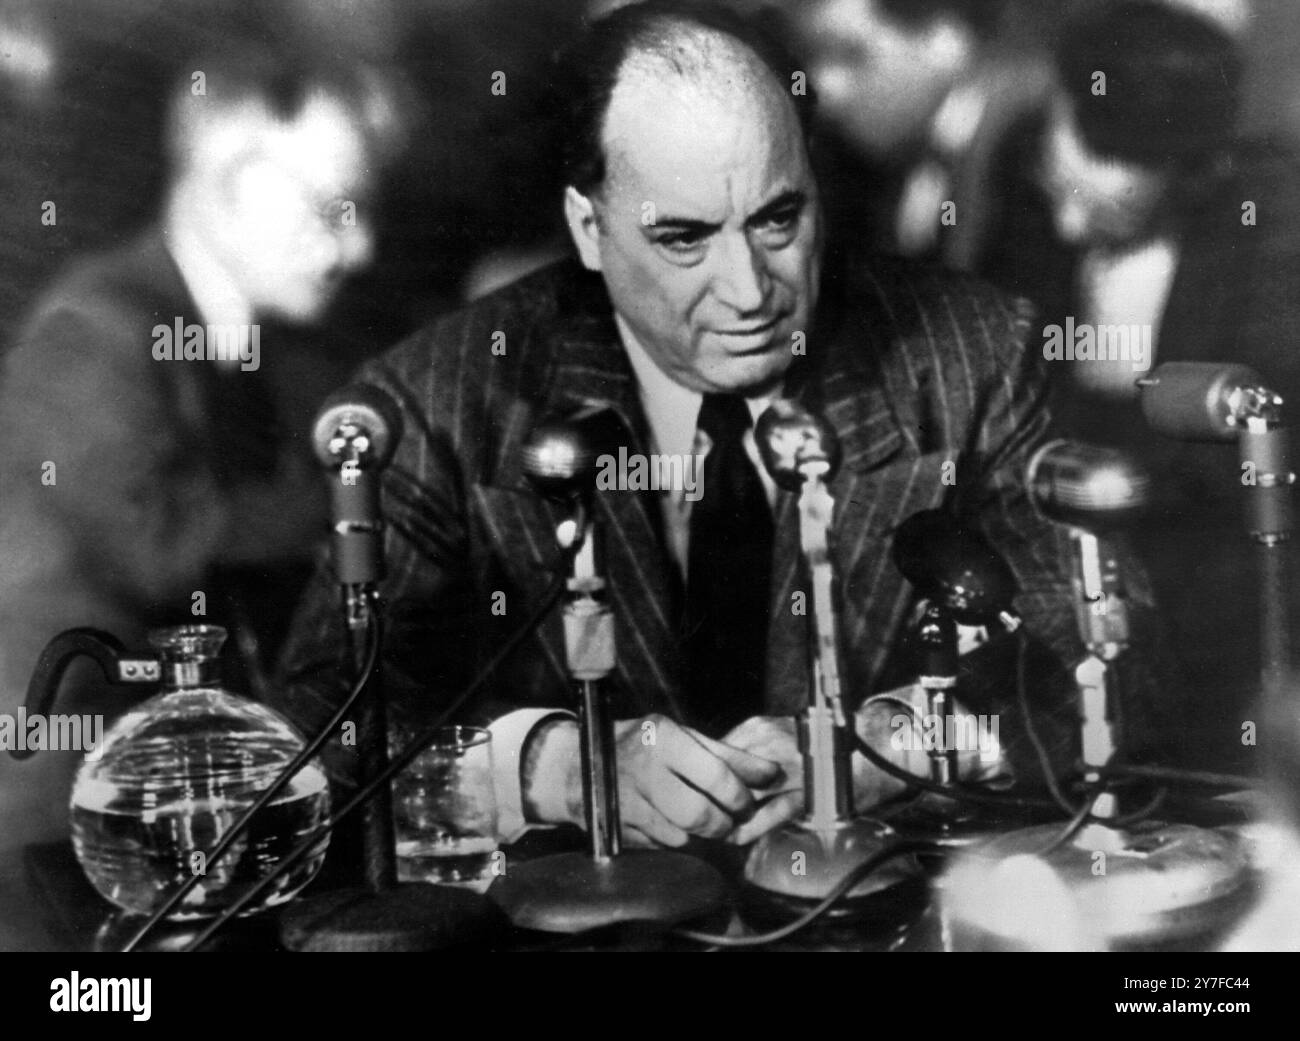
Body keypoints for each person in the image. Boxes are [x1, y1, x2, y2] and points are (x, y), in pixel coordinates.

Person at [277, 0, 1167, 851]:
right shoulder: (439, 402)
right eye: (685, 239)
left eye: (779, 219)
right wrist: (559, 769)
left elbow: (1123, 658)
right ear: (588, 228)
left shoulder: (973, 356)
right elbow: (322, 719)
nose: (749, 292)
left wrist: (895, 744)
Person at [0, 42, 390, 853]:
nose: (359, 250)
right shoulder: (93, 330)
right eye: (336, 208)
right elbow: (163, 545)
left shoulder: (273, 348)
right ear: (237, 188)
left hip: (178, 787)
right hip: (54, 813)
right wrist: (374, 495)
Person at [981, 0, 1300, 772]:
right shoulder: (1023, 176)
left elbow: (1246, 465)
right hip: (1048, 592)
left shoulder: (1267, 229)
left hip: (1214, 620)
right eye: (1059, 189)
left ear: (1193, 172)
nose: (1065, 227)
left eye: (1101, 206)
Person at [788, 0, 1056, 271]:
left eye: (850, 55)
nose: (826, 89)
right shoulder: (899, 163)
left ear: (945, 40)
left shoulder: (1025, 129)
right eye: (812, 57)